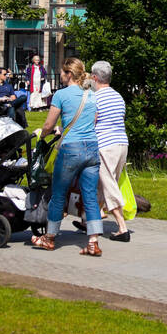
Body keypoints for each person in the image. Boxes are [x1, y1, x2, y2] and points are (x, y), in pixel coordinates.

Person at [30, 58, 104, 256]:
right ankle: (93, 242)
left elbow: (48, 123)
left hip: (71, 148)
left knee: (58, 194)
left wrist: (43, 135)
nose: (60, 76)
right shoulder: (91, 94)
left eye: (62, 73)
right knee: (89, 196)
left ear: (68, 74)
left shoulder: (61, 95)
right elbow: (95, 120)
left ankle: (50, 237)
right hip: (92, 148)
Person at [91, 60, 131, 242]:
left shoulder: (96, 97)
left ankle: (122, 227)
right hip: (121, 143)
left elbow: (93, 122)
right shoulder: (118, 96)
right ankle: (91, 219)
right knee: (105, 182)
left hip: (105, 144)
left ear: (94, 77)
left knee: (108, 183)